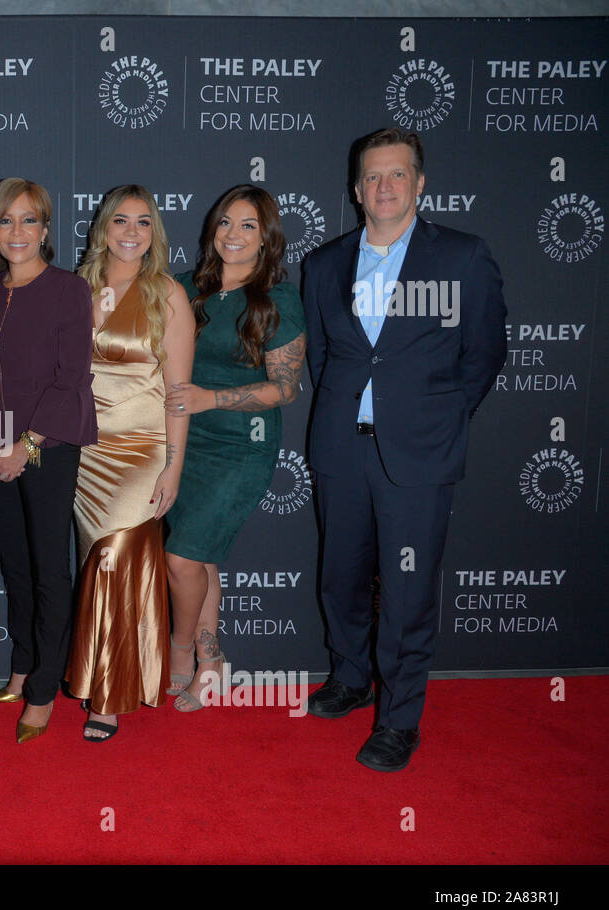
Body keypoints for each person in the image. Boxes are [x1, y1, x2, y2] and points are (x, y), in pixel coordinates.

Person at [303, 128, 506, 771]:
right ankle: (351, 677)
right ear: (356, 188)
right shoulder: (324, 263)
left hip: (419, 455)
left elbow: (485, 354)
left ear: (420, 183)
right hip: (341, 449)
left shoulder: (464, 258)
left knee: (409, 589)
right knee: (340, 578)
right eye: (372, 177)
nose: (384, 187)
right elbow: (322, 357)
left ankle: (398, 721)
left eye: (398, 175)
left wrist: (439, 418)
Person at [163, 186, 306, 711]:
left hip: (241, 447)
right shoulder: (185, 288)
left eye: (248, 226)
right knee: (201, 560)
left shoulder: (278, 299)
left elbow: (286, 388)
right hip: (183, 440)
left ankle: (182, 651)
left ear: (267, 238)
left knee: (181, 558)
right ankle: (212, 661)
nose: (233, 234)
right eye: (225, 222)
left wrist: (211, 398)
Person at [66, 185, 196, 741]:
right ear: (103, 226)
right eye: (121, 220)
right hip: (82, 451)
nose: (131, 231)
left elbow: (179, 391)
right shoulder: (76, 287)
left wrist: (174, 466)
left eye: (144, 222)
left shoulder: (167, 293)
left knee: (117, 560)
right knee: (95, 567)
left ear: (155, 233)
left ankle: (110, 696)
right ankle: (104, 675)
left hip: (142, 451)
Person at [0, 179, 98, 743]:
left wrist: (26, 448)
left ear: (46, 228)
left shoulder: (69, 290)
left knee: (50, 569)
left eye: (28, 220)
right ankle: (22, 665)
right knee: (14, 564)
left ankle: (46, 686)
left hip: (46, 448)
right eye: (5, 221)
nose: (16, 232)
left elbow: (72, 378)